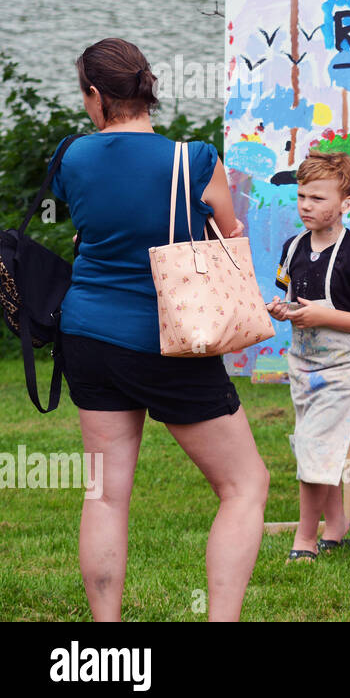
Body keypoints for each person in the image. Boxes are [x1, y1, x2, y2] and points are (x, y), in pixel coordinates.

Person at [54, 38, 268, 621]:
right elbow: (232, 238)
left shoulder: (71, 156)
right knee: (244, 485)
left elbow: (90, 224)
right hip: (171, 338)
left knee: (103, 493)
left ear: (95, 95)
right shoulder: (194, 160)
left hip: (89, 335)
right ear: (146, 86)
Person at [266, 151, 350, 562]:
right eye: (302, 196)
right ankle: (335, 530)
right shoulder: (292, 248)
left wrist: (324, 315)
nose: (306, 205)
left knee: (314, 446)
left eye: (318, 198)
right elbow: (290, 299)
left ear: (346, 204)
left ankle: (304, 540)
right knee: (320, 446)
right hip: (303, 365)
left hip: (342, 368)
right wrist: (283, 310)